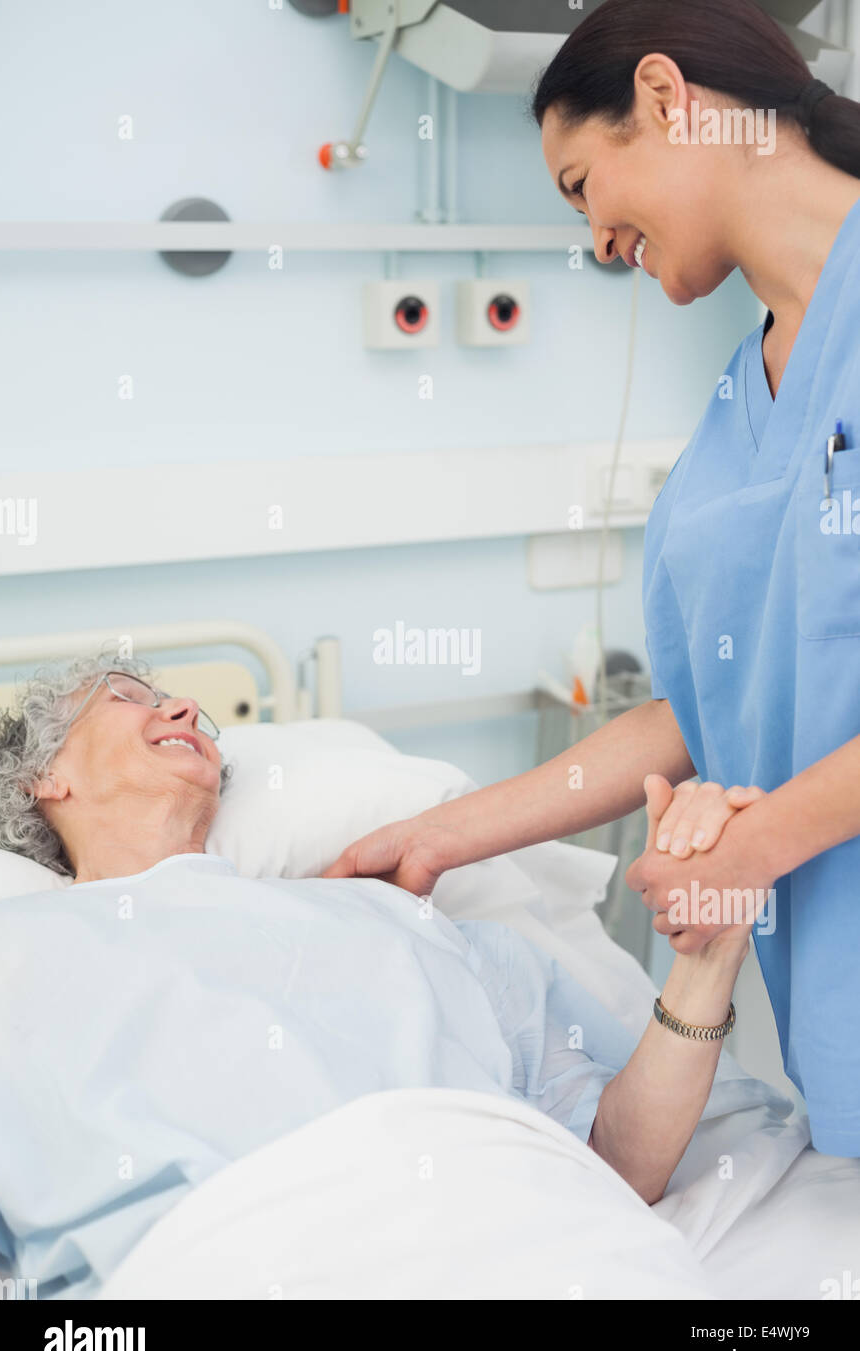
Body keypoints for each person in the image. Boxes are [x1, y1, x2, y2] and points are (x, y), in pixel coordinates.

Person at [324, 0, 860, 1159]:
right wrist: (441, 833)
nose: (593, 235)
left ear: (665, 100)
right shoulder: (741, 397)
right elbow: (713, 704)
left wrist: (754, 850)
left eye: (580, 185)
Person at [0, 654, 761, 1296]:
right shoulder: (16, 954)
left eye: (181, 706)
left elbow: (619, 1162)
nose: (185, 709)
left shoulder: (400, 917)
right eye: (129, 698)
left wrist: (707, 959)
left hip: (539, 1237)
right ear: (43, 777)